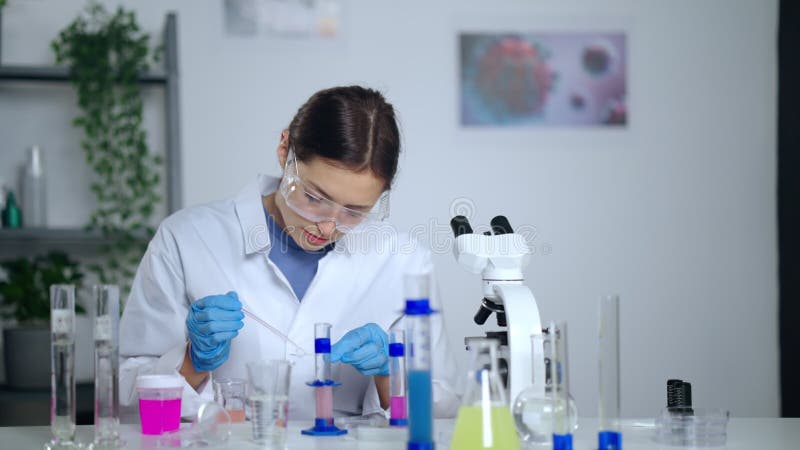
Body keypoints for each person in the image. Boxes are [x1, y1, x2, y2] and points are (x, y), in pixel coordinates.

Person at [118, 86, 461, 420]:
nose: (327, 227)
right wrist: (193, 360)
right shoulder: (188, 238)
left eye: (354, 211)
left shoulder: (403, 260)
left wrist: (391, 371)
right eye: (313, 198)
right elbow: (128, 402)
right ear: (285, 152)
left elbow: (442, 412)